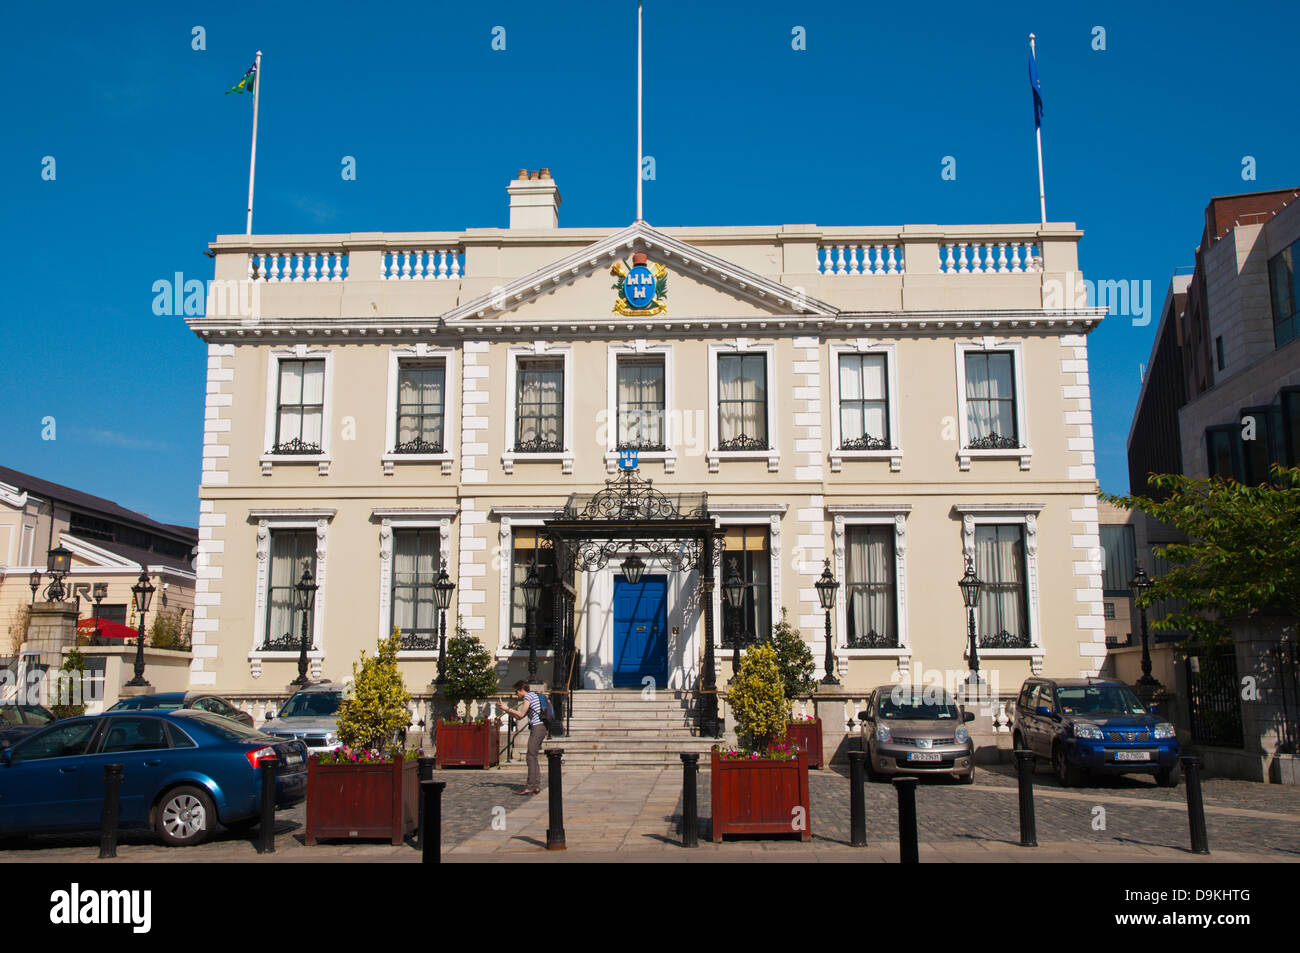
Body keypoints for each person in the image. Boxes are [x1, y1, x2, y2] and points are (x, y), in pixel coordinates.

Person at [504, 680, 546, 795]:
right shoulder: (535, 696)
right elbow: (519, 717)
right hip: (541, 727)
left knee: (530, 756)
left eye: (516, 692)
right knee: (533, 756)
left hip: (537, 727)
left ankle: (530, 786)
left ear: (522, 690)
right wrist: (507, 710)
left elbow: (521, 714)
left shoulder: (528, 697)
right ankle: (535, 785)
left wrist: (507, 708)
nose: (516, 694)